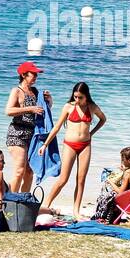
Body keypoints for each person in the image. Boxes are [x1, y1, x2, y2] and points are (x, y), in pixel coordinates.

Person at [42, 81, 107, 219]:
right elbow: (57, 127)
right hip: (69, 145)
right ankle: (45, 205)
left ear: (86, 96)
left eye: (80, 97)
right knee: (63, 179)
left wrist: (92, 133)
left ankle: (76, 211)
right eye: (75, 96)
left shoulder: (92, 107)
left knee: (81, 180)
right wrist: (45, 144)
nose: (77, 100)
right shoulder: (68, 107)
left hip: (85, 145)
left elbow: (103, 119)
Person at [4, 61, 50, 193]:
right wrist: (30, 109)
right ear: (24, 74)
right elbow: (8, 111)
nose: (35, 77)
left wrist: (49, 100)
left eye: (36, 74)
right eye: (33, 74)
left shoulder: (35, 92)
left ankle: (23, 201)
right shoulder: (17, 91)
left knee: (29, 172)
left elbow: (42, 111)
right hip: (17, 133)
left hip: (32, 135)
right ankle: (10, 201)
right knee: (19, 171)